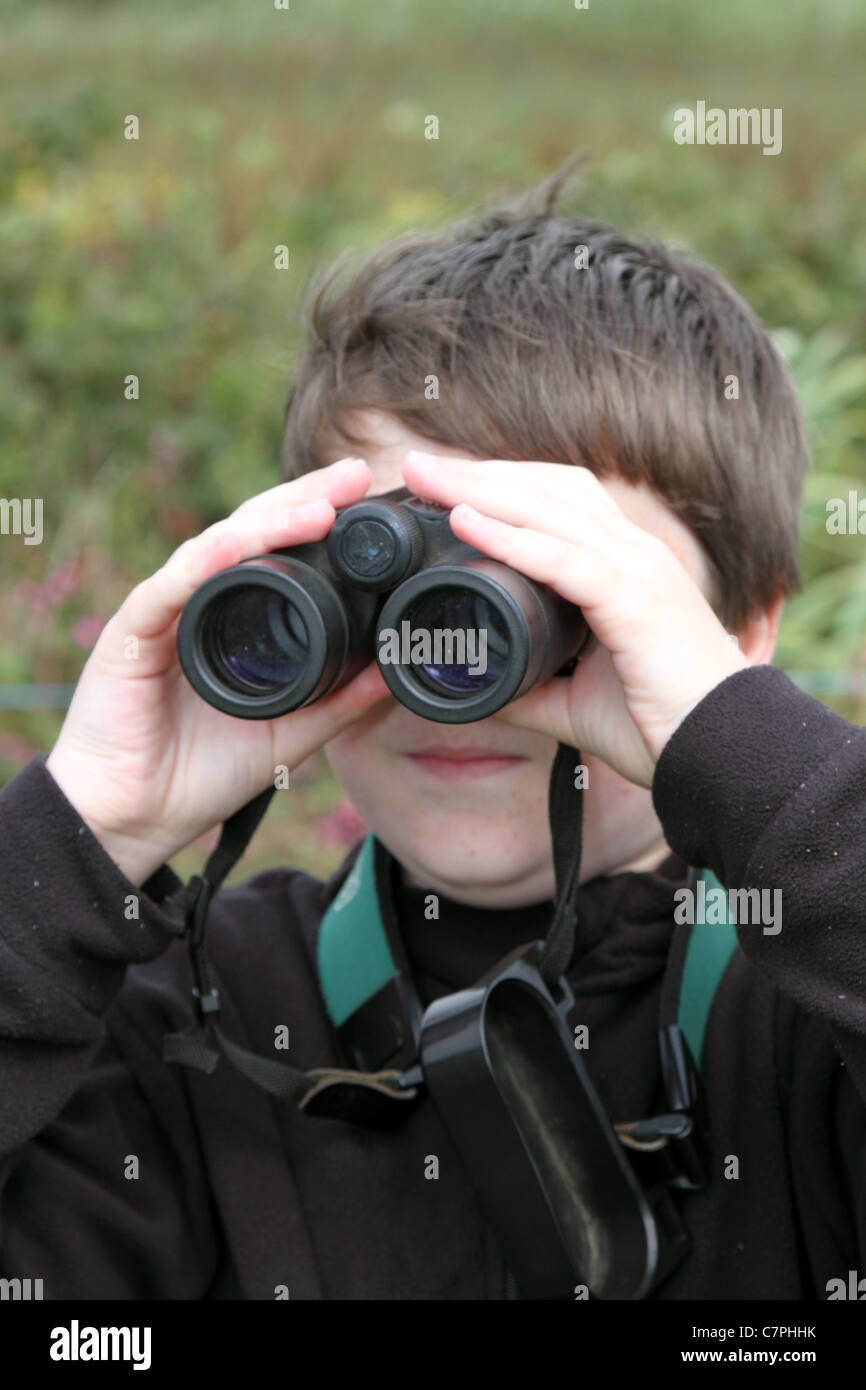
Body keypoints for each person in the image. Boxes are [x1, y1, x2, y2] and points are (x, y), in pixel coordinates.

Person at [1, 161, 863, 1301]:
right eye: (396, 584)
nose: (453, 668)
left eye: (546, 586)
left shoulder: (803, 1016)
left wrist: (756, 764)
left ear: (740, 631)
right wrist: (74, 841)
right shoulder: (171, 1025)